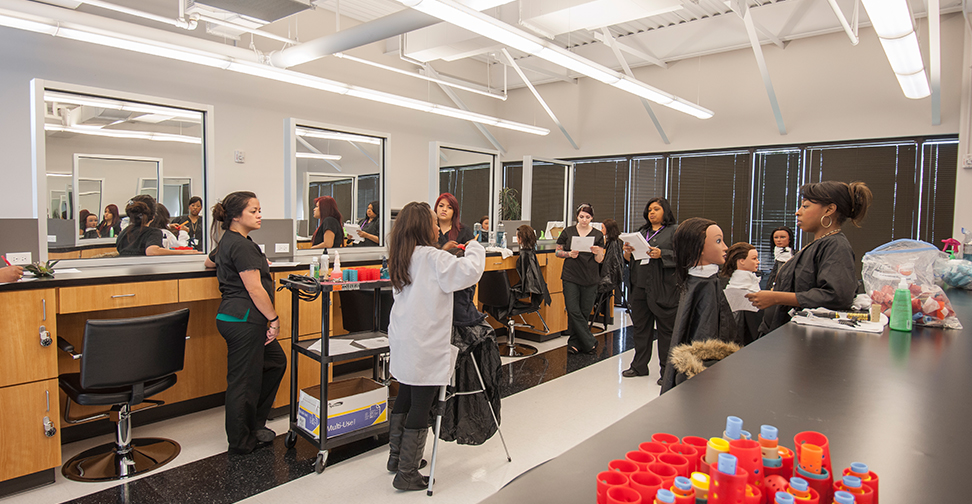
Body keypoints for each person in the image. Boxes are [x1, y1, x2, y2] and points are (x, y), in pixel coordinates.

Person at [386, 201, 485, 491]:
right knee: (422, 402)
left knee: (405, 393)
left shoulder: (401, 256)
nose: (435, 226)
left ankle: (396, 458)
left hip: (404, 336)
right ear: (422, 227)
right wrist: (475, 247)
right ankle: (407, 473)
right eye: (431, 221)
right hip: (426, 340)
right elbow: (468, 272)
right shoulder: (432, 257)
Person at [204, 191, 286, 455]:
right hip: (244, 320)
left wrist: (257, 263)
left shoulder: (230, 240)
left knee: (275, 362)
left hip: (236, 317)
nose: (260, 215)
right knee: (244, 382)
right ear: (236, 216)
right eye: (254, 211)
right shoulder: (241, 245)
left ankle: (254, 425)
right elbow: (255, 290)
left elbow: (208, 261)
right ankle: (241, 442)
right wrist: (273, 318)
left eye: (259, 209)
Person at [750, 181, 873, 334]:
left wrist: (776, 297)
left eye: (805, 206)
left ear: (829, 210)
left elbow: (837, 296)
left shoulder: (835, 246)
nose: (798, 212)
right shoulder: (818, 244)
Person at [661, 217, 740, 392]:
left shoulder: (706, 282)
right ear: (698, 248)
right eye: (718, 241)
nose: (725, 247)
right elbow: (703, 340)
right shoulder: (701, 285)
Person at [622, 198, 678, 381]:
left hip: (663, 287)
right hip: (640, 285)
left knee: (665, 331)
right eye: (649, 210)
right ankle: (639, 366)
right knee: (640, 328)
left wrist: (663, 254)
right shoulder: (641, 232)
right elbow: (631, 259)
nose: (651, 212)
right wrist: (627, 252)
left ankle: (666, 372)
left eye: (656, 209)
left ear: (665, 211)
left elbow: (682, 257)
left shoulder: (674, 231)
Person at [555, 203, 605, 355]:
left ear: (592, 218)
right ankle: (590, 342)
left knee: (584, 312)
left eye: (587, 217)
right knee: (572, 309)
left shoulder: (597, 235)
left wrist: (597, 252)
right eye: (581, 216)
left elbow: (600, 260)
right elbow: (557, 252)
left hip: (590, 277)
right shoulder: (568, 231)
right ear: (577, 216)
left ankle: (575, 343)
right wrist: (568, 254)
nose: (584, 220)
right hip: (571, 275)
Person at [115, 195, 200, 256]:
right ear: (153, 217)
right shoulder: (153, 233)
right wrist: (183, 252)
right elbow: (151, 251)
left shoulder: (124, 233)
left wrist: (169, 226)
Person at [721, 242, 762, 345]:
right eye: (754, 258)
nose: (758, 262)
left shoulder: (751, 284)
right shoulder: (737, 292)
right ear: (742, 261)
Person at [765, 226, 794, 290]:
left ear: (789, 239)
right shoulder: (772, 255)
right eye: (776, 237)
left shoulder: (795, 255)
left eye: (782, 237)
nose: (779, 240)